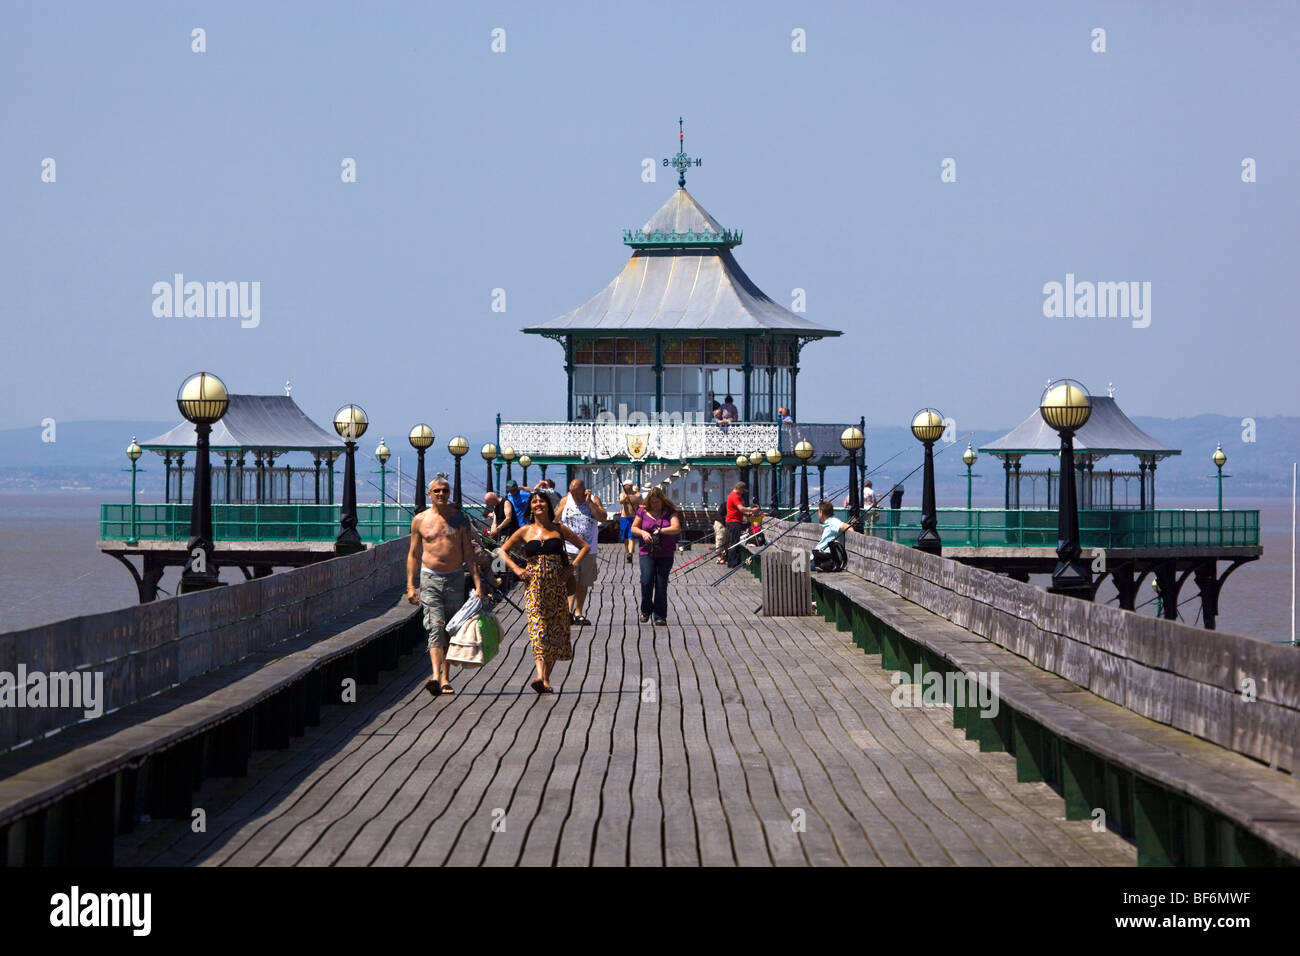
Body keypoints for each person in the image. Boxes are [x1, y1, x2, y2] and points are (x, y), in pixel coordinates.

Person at [499, 492, 590, 693]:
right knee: (538, 630)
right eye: (534, 502)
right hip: (533, 587)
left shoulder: (559, 529)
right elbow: (502, 551)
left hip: (557, 587)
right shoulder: (525, 531)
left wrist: (571, 568)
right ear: (530, 507)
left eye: (541, 501)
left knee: (555, 631)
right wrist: (517, 570)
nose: (538, 504)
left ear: (548, 506)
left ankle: (545, 678)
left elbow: (584, 547)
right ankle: (540, 675)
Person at [406, 476, 486, 698]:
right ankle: (434, 675)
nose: (441, 494)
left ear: (449, 493)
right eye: (437, 491)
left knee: (450, 628)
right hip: (430, 579)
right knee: (436, 626)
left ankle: (445, 677)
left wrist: (478, 584)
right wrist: (411, 586)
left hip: (455, 578)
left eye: (445, 490)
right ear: (429, 494)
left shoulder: (459, 520)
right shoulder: (420, 520)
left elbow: (469, 554)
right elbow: (413, 554)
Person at [557, 478, 607, 624]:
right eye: (572, 493)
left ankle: (578, 612)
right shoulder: (565, 500)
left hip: (589, 549)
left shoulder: (593, 499)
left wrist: (589, 503)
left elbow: (603, 518)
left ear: (584, 490)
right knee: (571, 579)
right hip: (569, 548)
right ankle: (568, 612)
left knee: (583, 582)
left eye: (577, 493)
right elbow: (554, 519)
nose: (575, 497)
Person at [631, 487, 681, 625]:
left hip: (665, 553)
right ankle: (645, 610)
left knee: (661, 584)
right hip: (646, 551)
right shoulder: (642, 511)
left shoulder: (670, 512)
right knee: (646, 580)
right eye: (652, 502)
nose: (655, 505)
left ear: (662, 501)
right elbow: (634, 528)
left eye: (657, 502)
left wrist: (660, 531)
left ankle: (660, 616)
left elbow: (676, 528)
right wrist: (643, 533)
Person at [724, 481, 759, 568]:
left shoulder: (732, 496)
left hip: (732, 521)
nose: (743, 493)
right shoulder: (735, 496)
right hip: (733, 522)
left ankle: (734, 561)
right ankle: (733, 563)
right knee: (734, 542)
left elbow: (741, 511)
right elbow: (741, 509)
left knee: (734, 541)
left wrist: (748, 514)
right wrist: (752, 510)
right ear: (739, 488)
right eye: (743, 491)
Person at [812, 500, 849, 571]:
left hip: (825, 560)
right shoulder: (830, 522)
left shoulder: (833, 522)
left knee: (798, 567)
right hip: (821, 558)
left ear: (820, 512)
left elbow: (847, 526)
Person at [618, 480, 643, 565]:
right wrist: (626, 496)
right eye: (625, 487)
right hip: (624, 518)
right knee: (625, 538)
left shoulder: (638, 495)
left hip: (634, 518)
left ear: (631, 486)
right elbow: (621, 501)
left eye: (628, 487)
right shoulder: (623, 494)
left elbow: (642, 505)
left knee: (631, 537)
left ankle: (630, 553)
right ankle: (627, 552)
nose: (626, 488)